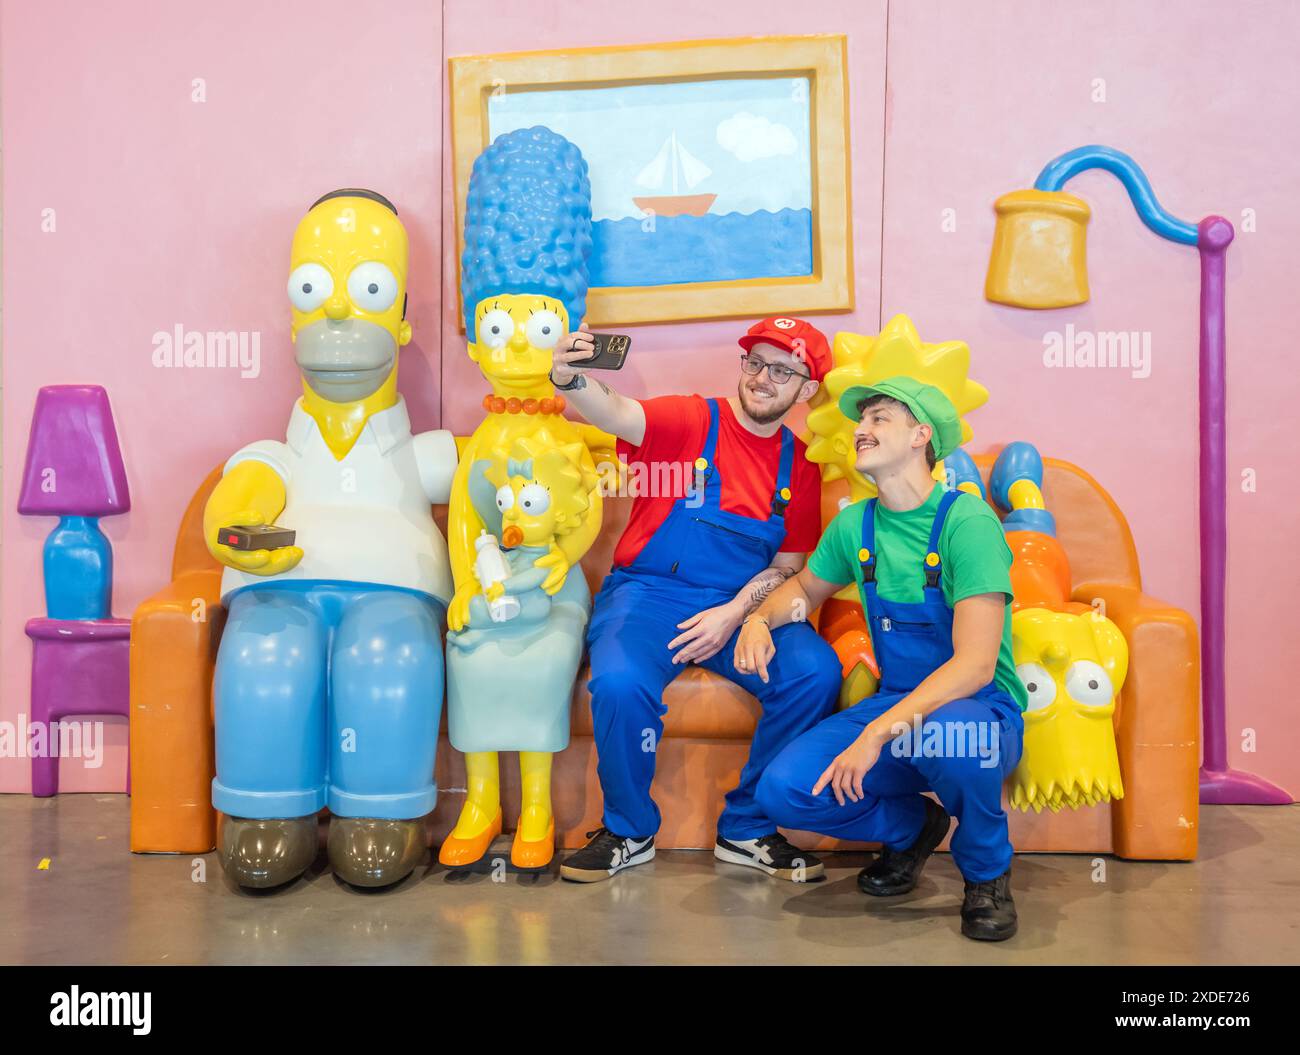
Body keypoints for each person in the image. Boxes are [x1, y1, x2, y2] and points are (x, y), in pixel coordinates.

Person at [550, 317, 843, 883]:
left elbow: (787, 567)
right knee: (617, 684)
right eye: (755, 362)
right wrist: (568, 378)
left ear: (807, 390)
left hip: (738, 607)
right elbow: (617, 411)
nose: (762, 378)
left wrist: (737, 613)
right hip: (648, 593)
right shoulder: (691, 419)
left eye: (783, 370)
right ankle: (629, 831)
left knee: (815, 673)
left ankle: (749, 830)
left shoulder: (801, 465)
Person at [738, 377, 1026, 940]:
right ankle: (915, 827)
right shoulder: (856, 525)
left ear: (921, 436)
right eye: (860, 420)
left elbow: (974, 667)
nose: (860, 430)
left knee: (952, 736)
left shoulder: (967, 523)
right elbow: (803, 592)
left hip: (977, 711)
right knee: (785, 790)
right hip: (899, 707)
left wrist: (873, 736)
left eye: (879, 419)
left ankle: (987, 875)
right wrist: (757, 618)